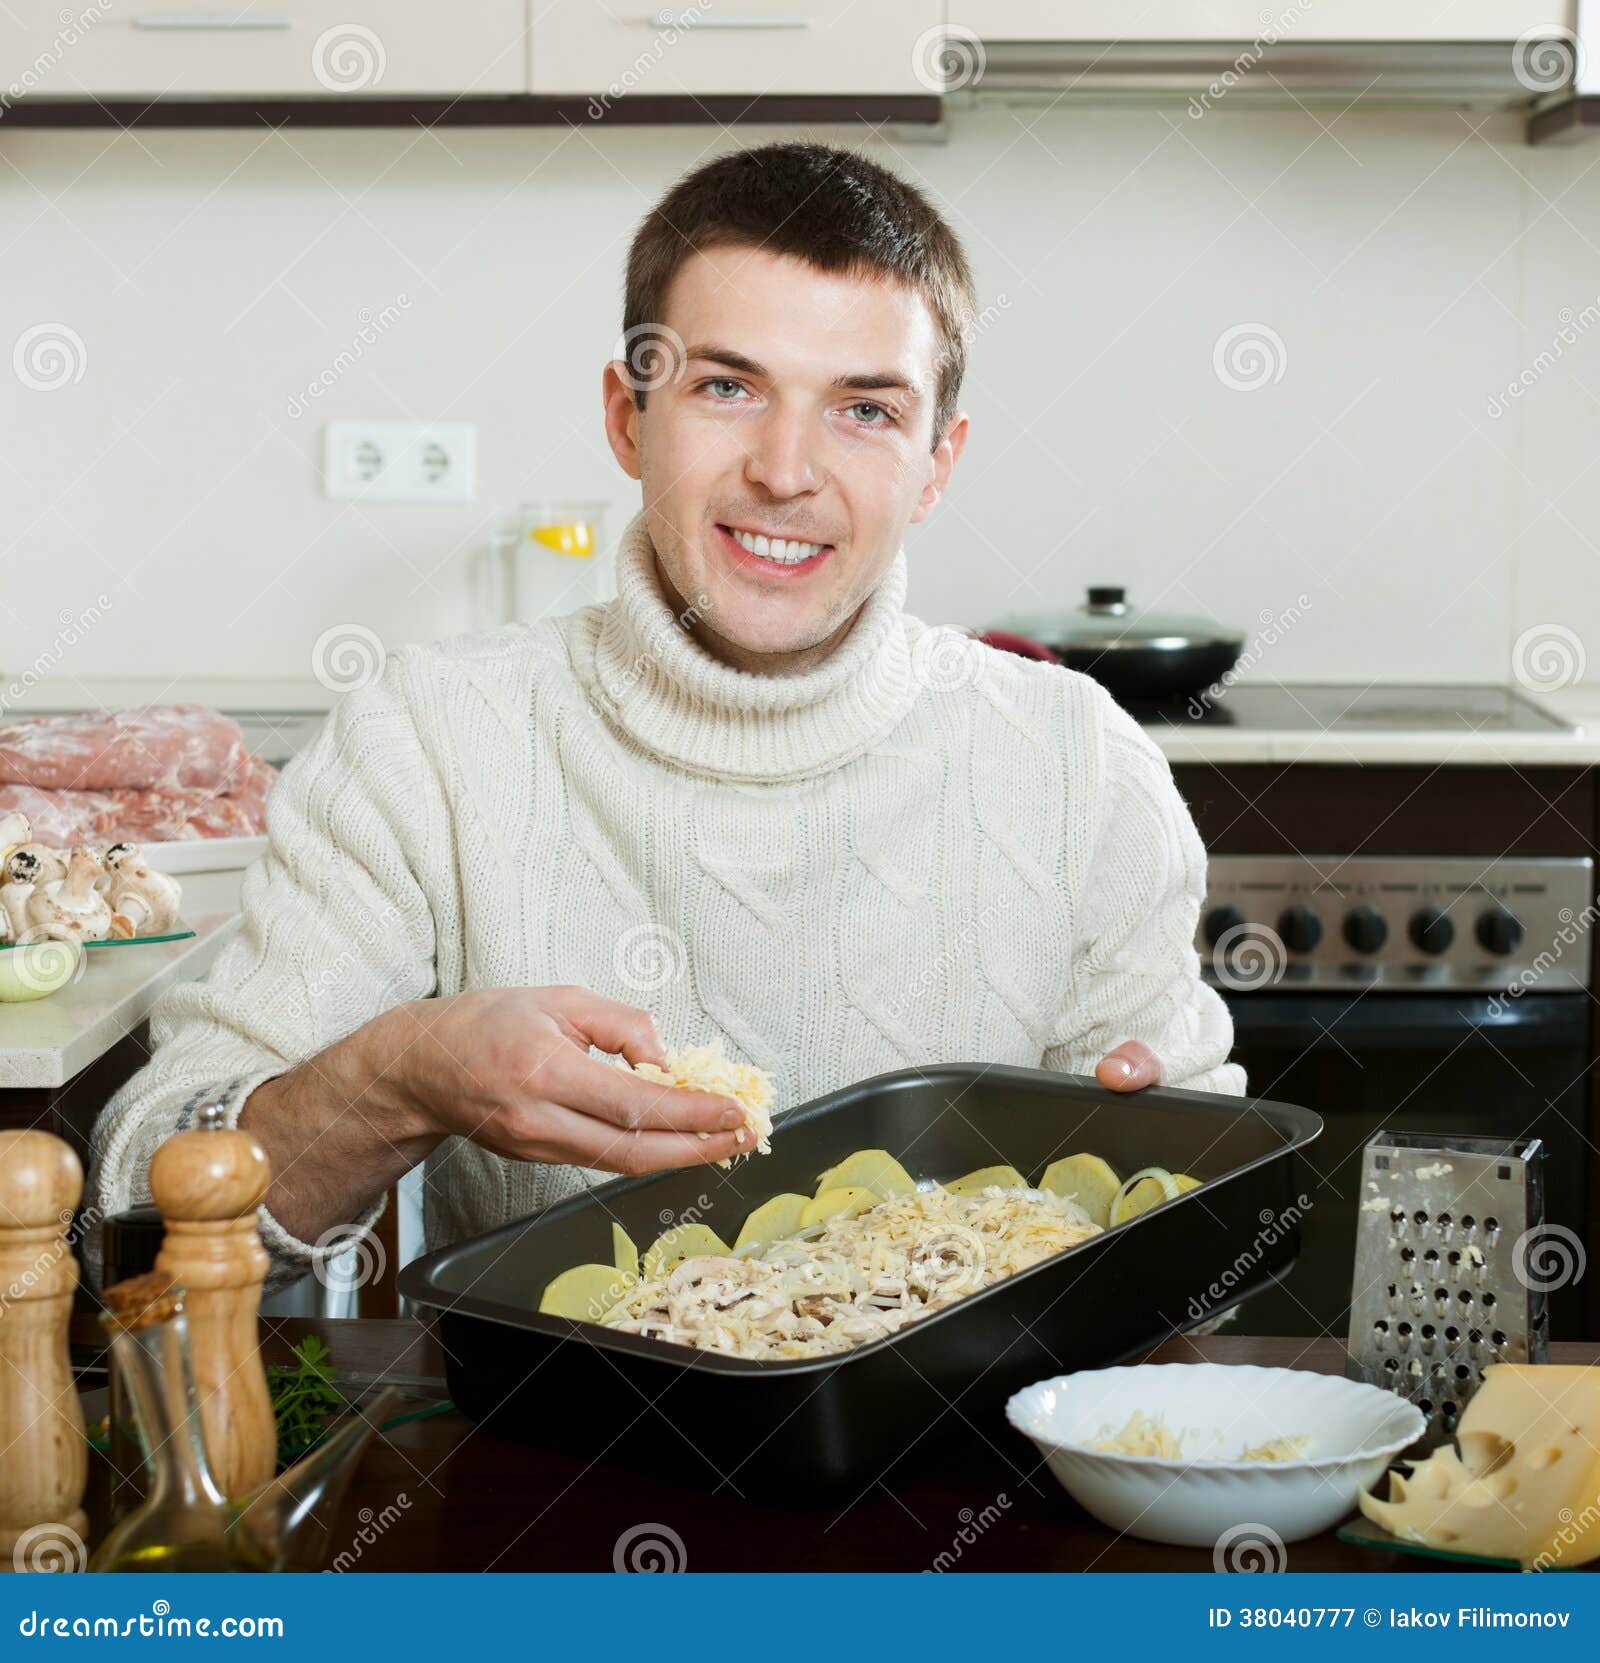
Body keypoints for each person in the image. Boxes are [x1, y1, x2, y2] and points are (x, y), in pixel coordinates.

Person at [89, 141, 1244, 1290]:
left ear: (936, 464)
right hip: (549, 1452)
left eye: (865, 410)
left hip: (959, 1454)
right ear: (628, 414)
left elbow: (1211, 1254)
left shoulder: (1075, 760)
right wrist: (400, 1079)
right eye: (726, 388)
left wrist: (1168, 1182)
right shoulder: (426, 740)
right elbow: (141, 1213)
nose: (785, 471)